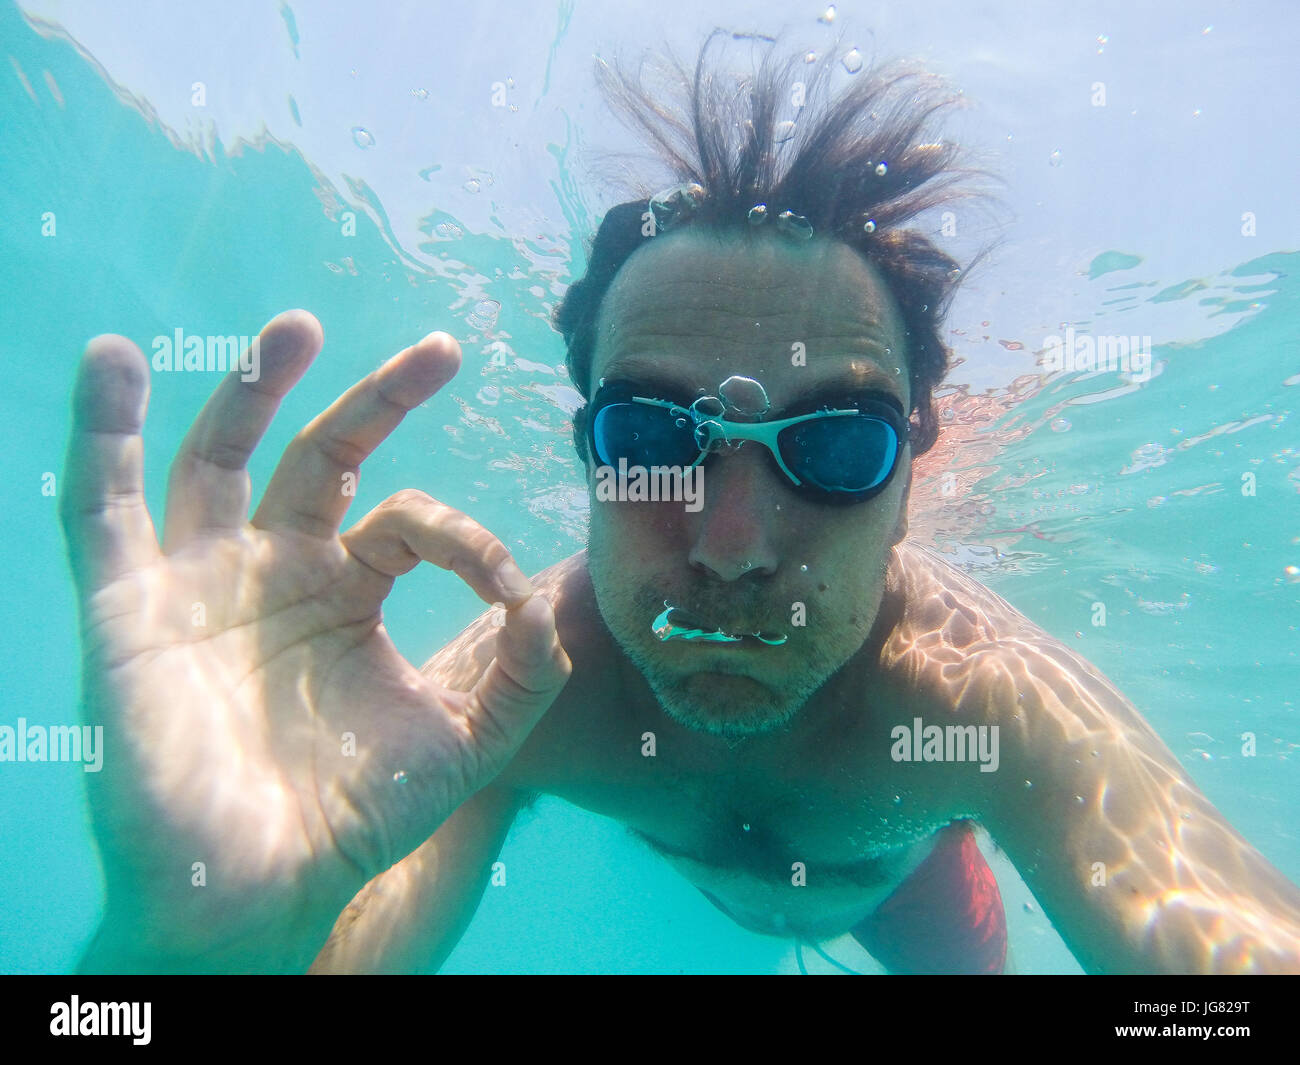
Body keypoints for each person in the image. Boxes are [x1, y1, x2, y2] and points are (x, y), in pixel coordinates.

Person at [63, 37, 1300, 975]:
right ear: (589, 454)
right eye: (654, 437)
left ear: (913, 479)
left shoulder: (984, 702)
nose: (733, 547)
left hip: (907, 895)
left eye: (837, 445)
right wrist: (183, 952)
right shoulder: (509, 699)